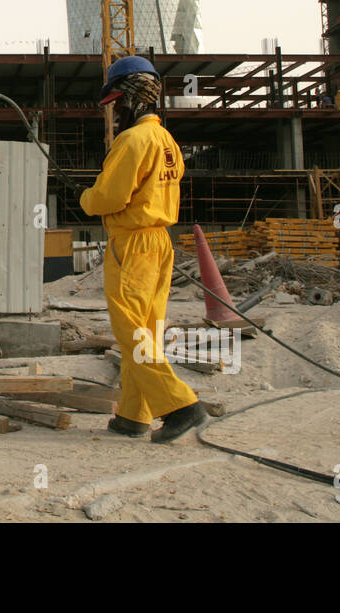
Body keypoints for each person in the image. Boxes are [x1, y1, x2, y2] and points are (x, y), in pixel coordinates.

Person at [80, 55, 206, 444]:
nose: (115, 112)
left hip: (132, 244)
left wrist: (87, 198)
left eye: (117, 103)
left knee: (130, 329)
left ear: (133, 98)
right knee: (147, 329)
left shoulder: (132, 140)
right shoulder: (166, 140)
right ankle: (135, 415)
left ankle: (181, 405)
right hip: (159, 242)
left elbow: (110, 196)